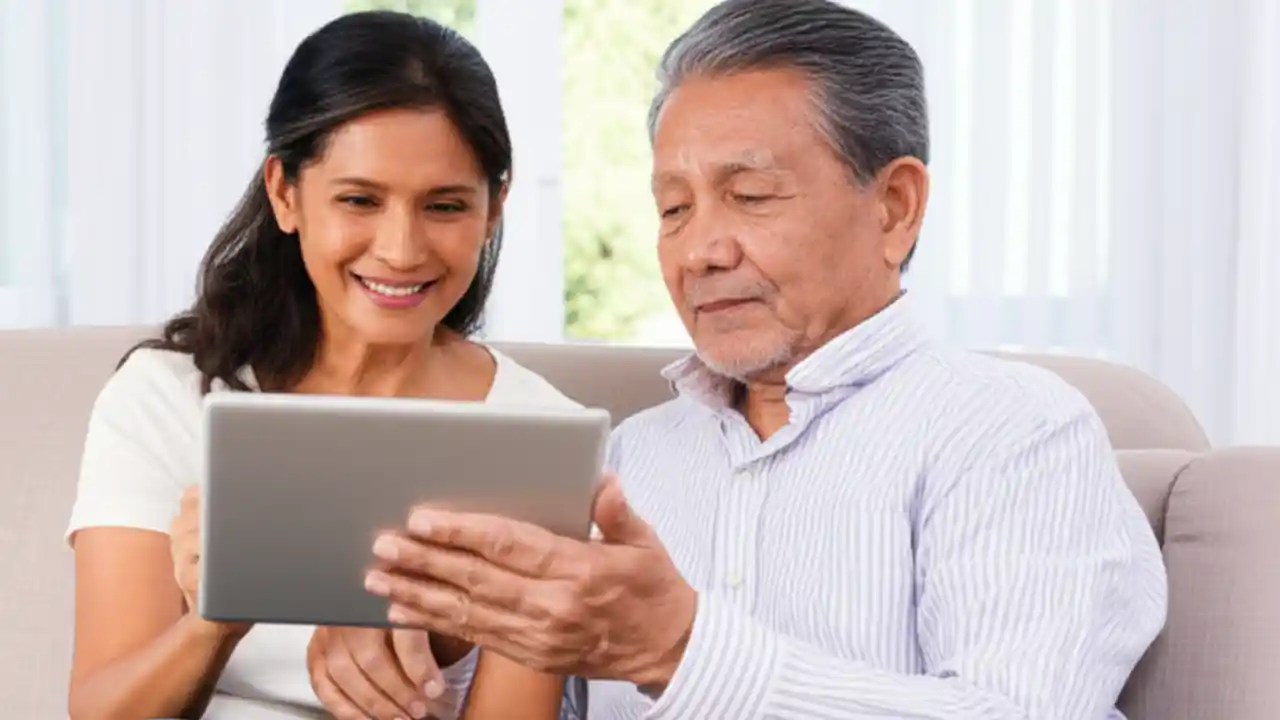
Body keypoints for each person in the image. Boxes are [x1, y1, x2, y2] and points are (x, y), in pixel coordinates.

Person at [363, 0, 1169, 717]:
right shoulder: (628, 458)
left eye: (750, 195)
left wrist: (681, 652)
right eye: (674, 208)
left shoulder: (1013, 431)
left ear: (895, 207)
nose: (700, 251)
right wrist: (435, 658)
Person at [65, 11, 577, 720]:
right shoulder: (167, 399)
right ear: (284, 193)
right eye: (359, 200)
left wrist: (436, 637)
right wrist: (220, 612)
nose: (400, 249)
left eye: (445, 205)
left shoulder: (541, 436)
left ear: (495, 209)